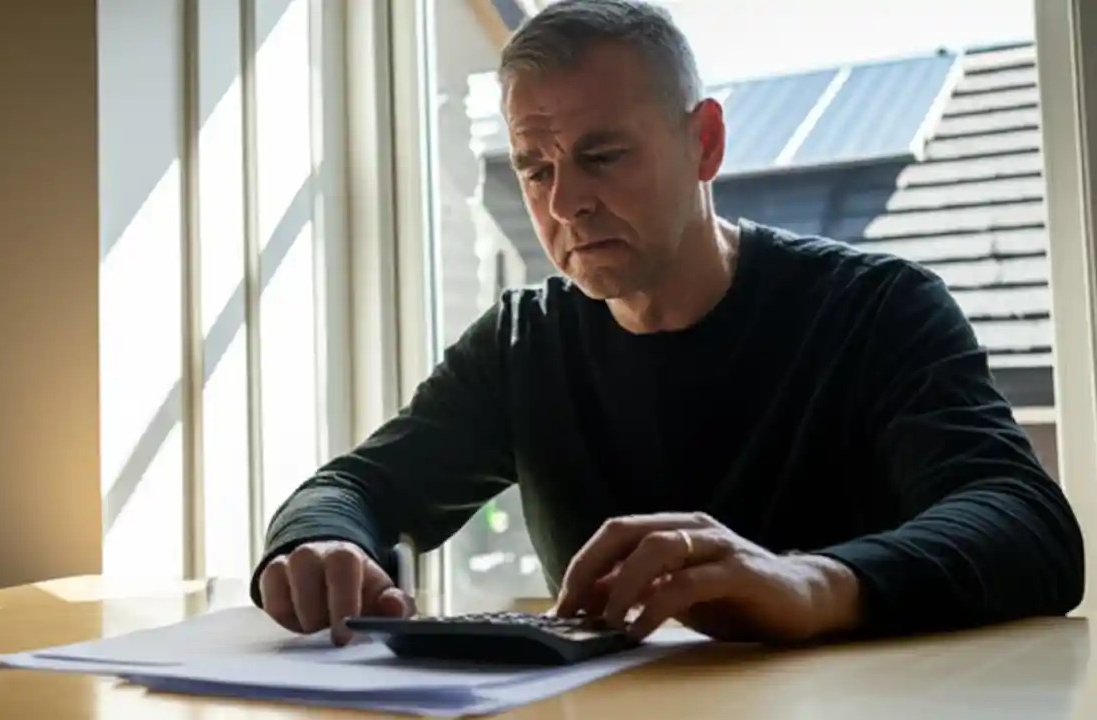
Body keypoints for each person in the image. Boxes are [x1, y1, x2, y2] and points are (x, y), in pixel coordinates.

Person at [251, 0, 1086, 646]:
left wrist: (810, 584)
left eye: (602, 156)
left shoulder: (874, 309)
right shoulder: (522, 346)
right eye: (536, 167)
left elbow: (1026, 524)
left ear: (706, 145)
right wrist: (319, 544)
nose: (564, 203)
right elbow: (353, 487)